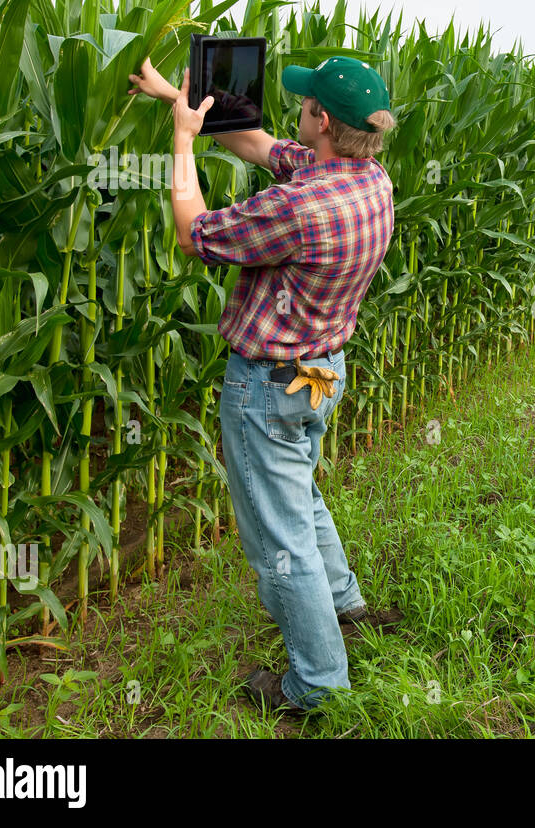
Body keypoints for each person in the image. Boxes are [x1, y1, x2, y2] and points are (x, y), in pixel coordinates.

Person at [127, 53, 401, 715]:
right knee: (299, 494)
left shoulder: (298, 208)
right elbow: (258, 144)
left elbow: (193, 232)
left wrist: (183, 140)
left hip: (267, 387)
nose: (297, 106)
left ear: (322, 119)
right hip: (318, 374)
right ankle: (347, 605)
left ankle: (317, 688)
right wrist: (178, 98)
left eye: (306, 100)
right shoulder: (368, 180)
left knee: (280, 539)